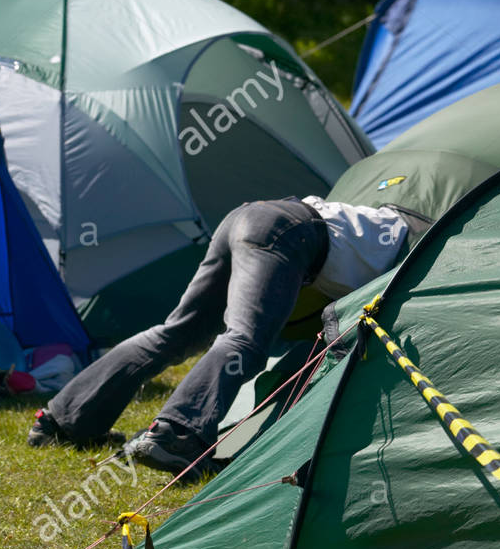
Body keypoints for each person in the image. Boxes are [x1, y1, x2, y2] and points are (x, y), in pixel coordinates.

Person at [27, 195, 408, 478]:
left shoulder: (385, 221)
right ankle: (176, 434)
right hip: (286, 233)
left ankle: (63, 421)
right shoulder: (414, 251)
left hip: (249, 217)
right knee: (245, 342)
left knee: (177, 332)